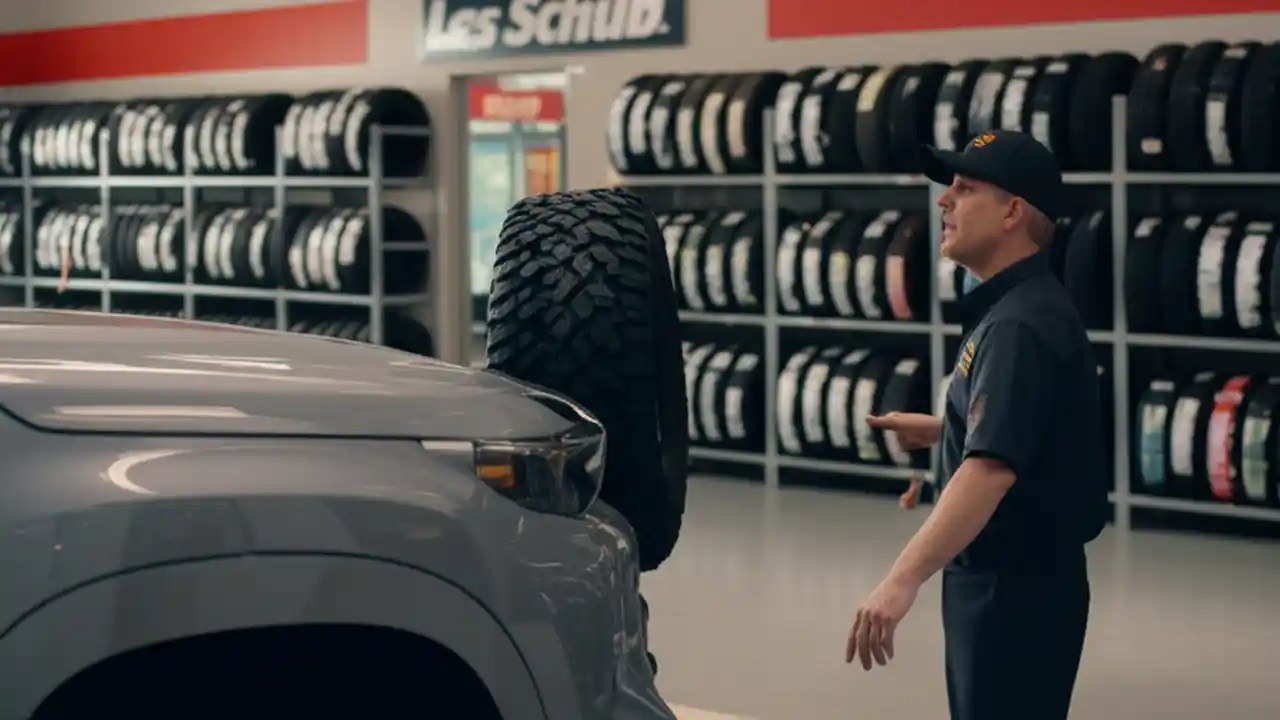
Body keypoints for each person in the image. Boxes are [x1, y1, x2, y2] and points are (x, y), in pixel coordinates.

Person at [843, 129, 1109, 720]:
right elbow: (1025, 426)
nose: (943, 201)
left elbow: (990, 471)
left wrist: (900, 580)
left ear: (1013, 212)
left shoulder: (1020, 325)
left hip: (1011, 591)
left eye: (965, 189)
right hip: (1010, 583)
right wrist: (948, 429)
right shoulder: (1018, 308)